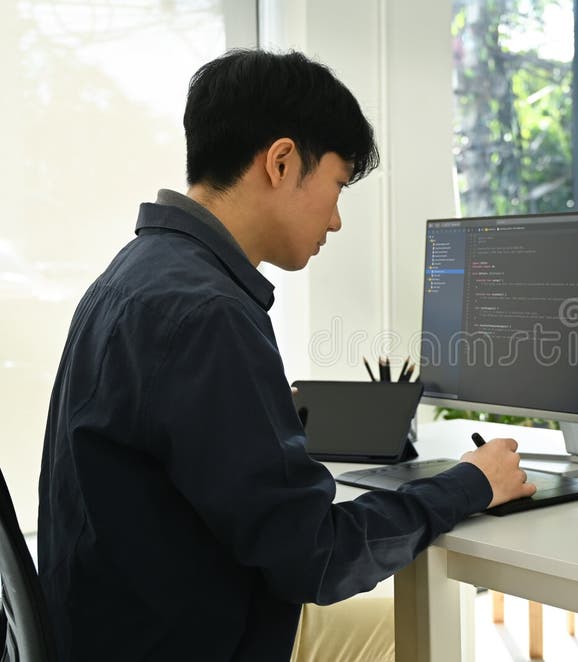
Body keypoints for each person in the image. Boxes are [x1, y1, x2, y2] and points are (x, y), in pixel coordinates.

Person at [37, 49, 536, 662]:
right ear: (280, 161)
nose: (335, 220)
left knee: (397, 627)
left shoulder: (135, 275)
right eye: (336, 186)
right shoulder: (208, 313)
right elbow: (316, 559)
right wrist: (469, 484)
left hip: (126, 629)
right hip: (189, 640)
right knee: (436, 636)